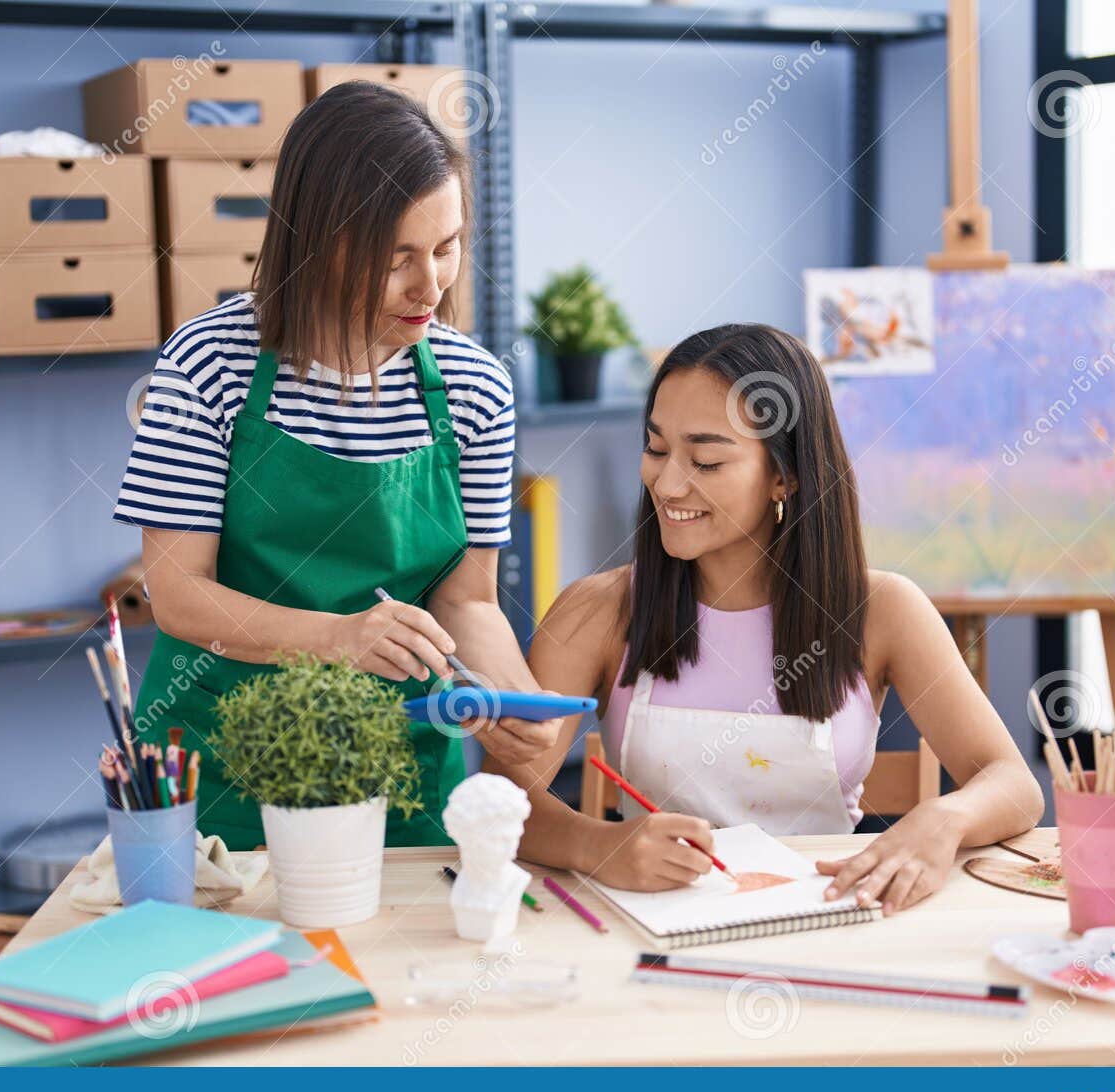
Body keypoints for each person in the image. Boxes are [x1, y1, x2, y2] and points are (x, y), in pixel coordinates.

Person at [113, 82, 558, 849]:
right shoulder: (207, 365)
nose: (431, 287)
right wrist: (338, 637)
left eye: (446, 249)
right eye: (398, 261)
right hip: (223, 781)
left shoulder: (476, 387)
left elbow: (467, 603)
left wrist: (514, 699)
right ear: (317, 244)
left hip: (402, 778)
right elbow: (178, 591)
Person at [493, 323, 1043, 914]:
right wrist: (599, 844)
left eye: (705, 460)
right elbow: (499, 804)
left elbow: (1012, 784)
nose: (667, 481)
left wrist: (945, 817)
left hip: (829, 924)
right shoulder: (596, 611)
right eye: (656, 449)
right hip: (650, 934)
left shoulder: (884, 610)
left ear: (785, 475)